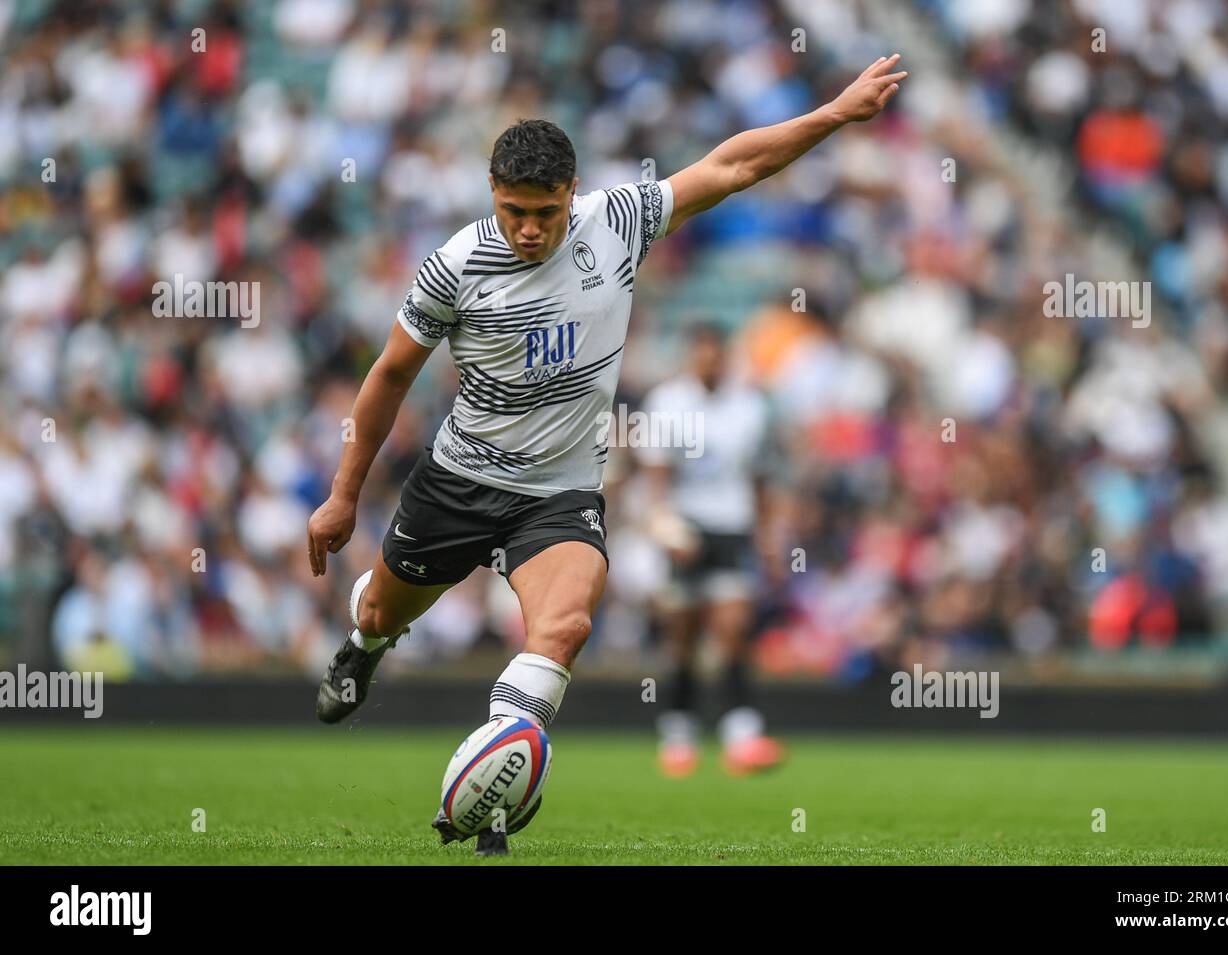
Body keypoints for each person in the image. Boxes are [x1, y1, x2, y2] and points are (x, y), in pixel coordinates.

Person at [305, 55, 909, 854]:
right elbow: (388, 375)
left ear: (572, 194)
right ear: (492, 193)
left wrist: (832, 113)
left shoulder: (616, 223)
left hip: (559, 492)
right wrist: (344, 495)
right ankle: (365, 648)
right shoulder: (455, 266)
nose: (529, 228)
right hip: (458, 479)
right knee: (383, 609)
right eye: (514, 210)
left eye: (545, 212)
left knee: (564, 625)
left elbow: (730, 165)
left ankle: (491, 801)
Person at [640, 322, 785, 777]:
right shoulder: (667, 402)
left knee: (733, 627)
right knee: (682, 636)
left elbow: (760, 476)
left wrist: (766, 536)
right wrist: (664, 525)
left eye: (715, 353)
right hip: (686, 528)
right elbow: (656, 473)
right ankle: (679, 733)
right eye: (700, 352)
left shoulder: (749, 406)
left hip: (732, 526)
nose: (709, 360)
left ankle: (742, 733)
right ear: (690, 356)